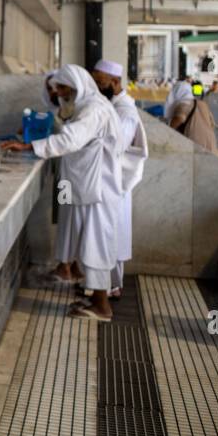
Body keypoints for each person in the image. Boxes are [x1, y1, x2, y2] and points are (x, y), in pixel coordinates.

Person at [2, 65, 123, 321]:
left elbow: (71, 139)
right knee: (89, 244)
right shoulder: (88, 106)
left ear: (75, 84)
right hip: (91, 187)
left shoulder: (94, 109)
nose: (60, 94)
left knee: (95, 246)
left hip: (99, 190)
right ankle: (94, 299)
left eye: (63, 88)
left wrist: (29, 146)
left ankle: (102, 308)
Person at [89, 60, 148, 304]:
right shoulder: (112, 106)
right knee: (107, 234)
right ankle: (102, 284)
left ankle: (112, 286)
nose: (97, 86)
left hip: (115, 185)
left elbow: (116, 145)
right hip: (106, 182)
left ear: (115, 83)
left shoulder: (125, 112)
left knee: (112, 234)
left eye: (100, 82)